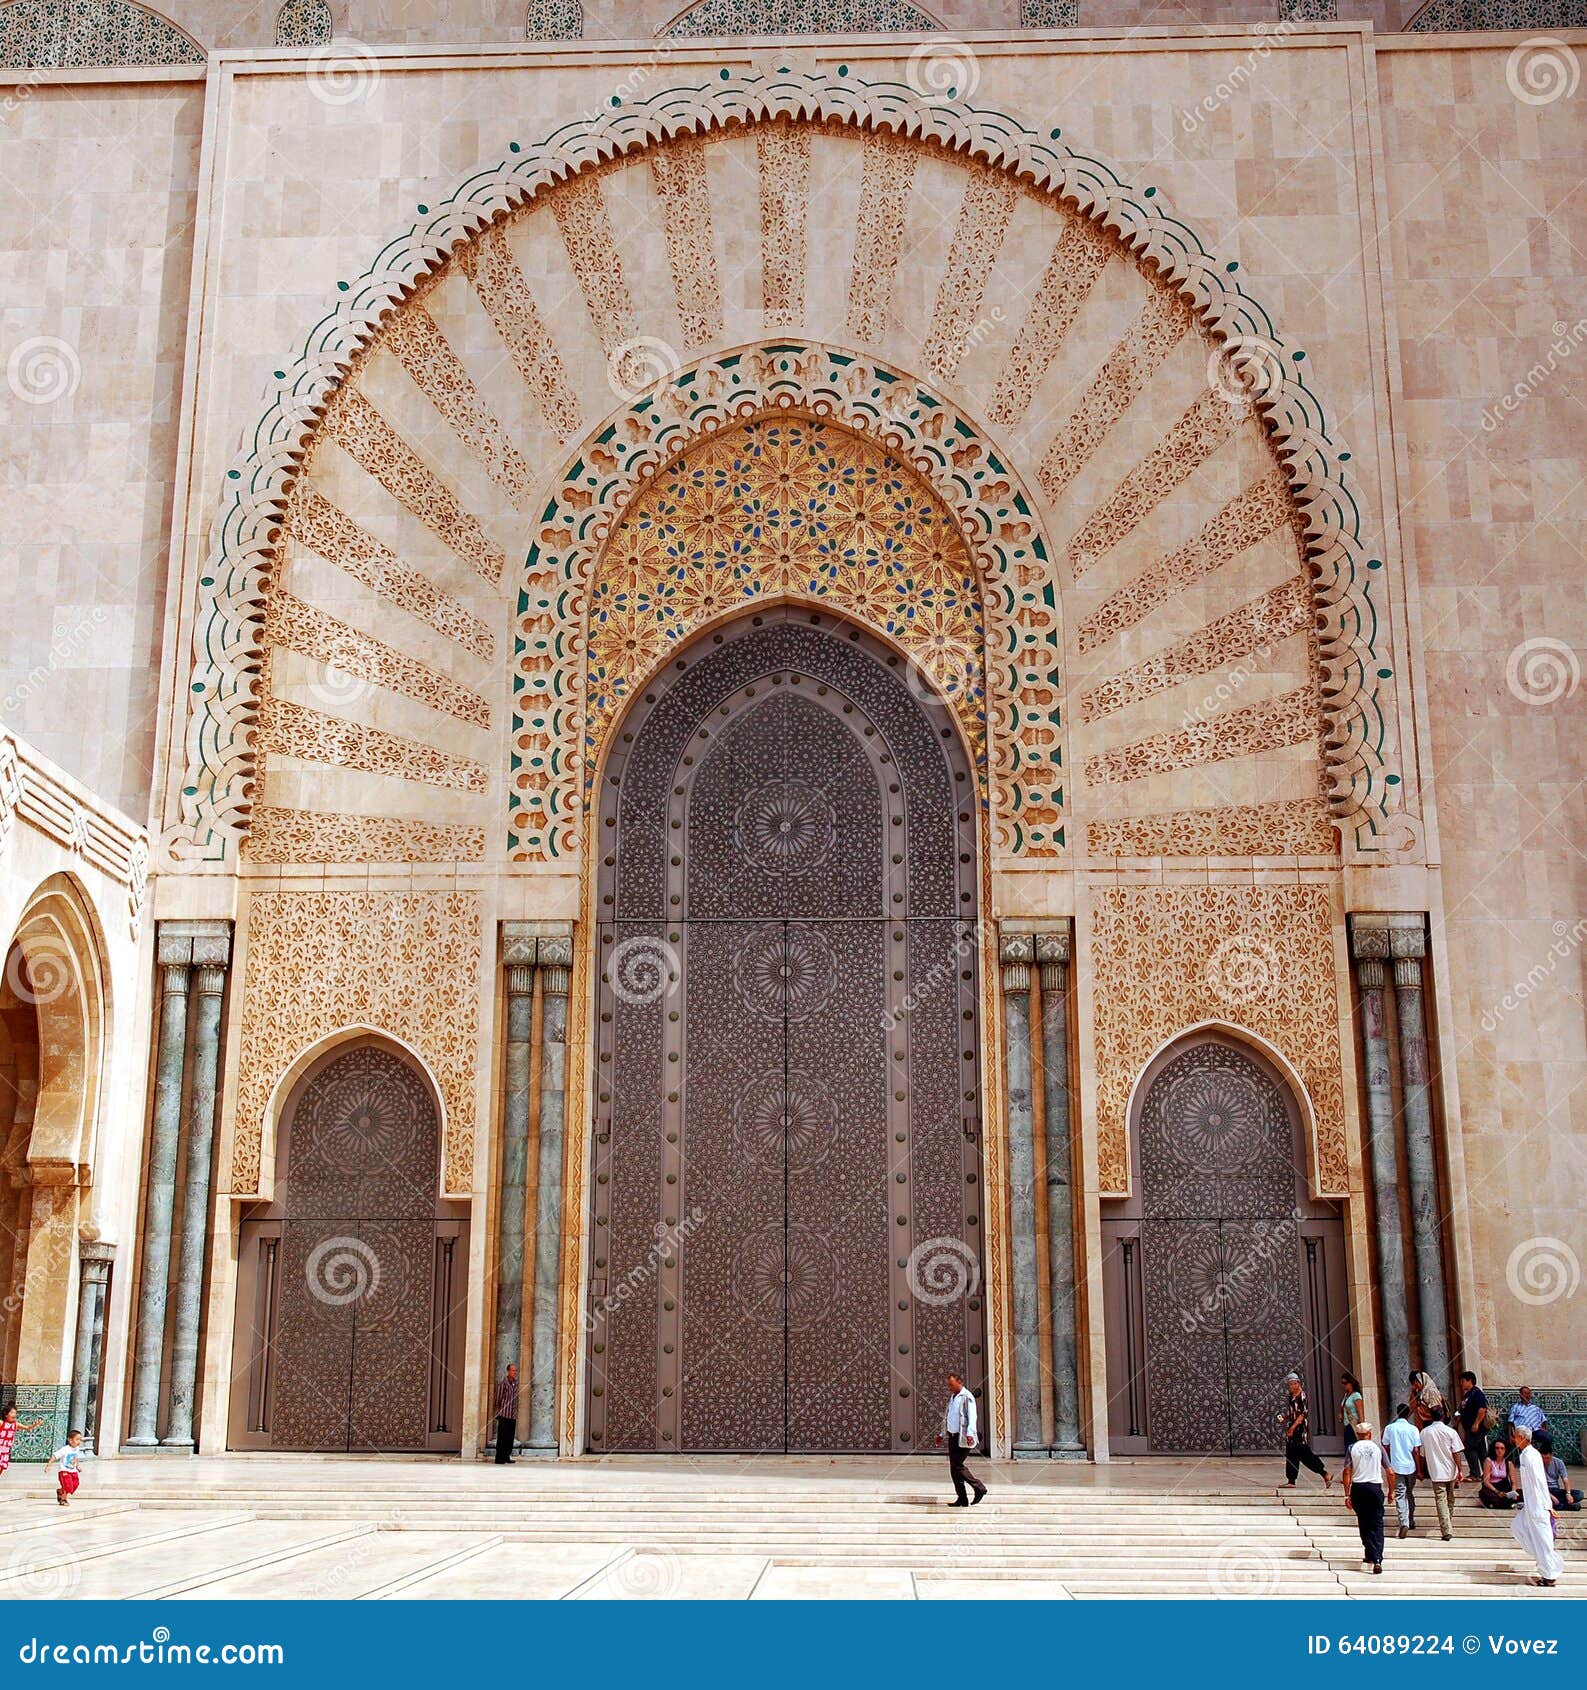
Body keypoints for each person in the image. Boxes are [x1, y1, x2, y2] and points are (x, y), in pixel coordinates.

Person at [1509, 1424, 1563, 1587]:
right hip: (1531, 1505)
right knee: (1518, 1526)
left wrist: (1548, 1506)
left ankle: (1549, 1575)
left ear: (1523, 1438)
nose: (1514, 1439)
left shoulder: (1530, 1456)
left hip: (1539, 1506)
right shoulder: (1526, 1455)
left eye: (1516, 1436)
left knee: (1543, 1540)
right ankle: (1544, 1560)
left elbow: (1539, 1481)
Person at [1342, 1418, 1390, 1575]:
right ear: (1369, 1434)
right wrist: (1392, 1491)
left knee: (1364, 1522)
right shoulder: (1378, 1448)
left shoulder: (1351, 1448)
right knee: (1377, 1523)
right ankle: (1377, 1558)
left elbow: (1347, 1471)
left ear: (1358, 1434)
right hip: (1375, 1487)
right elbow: (1390, 1471)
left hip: (1359, 1488)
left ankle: (1370, 1553)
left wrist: (1347, 1494)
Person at [935, 1372, 986, 1507]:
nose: (949, 1388)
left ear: (960, 1383)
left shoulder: (967, 1397)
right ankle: (962, 1498)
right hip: (953, 1437)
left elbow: (972, 1417)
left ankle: (979, 1487)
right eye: (948, 1385)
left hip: (963, 1437)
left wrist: (970, 1434)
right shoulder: (953, 1397)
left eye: (951, 1385)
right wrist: (941, 1434)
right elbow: (948, 1417)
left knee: (958, 1466)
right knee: (954, 1469)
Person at [1280, 1372, 1332, 1490]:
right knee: (1291, 1454)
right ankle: (1291, 1480)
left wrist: (1292, 1428)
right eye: (1290, 1384)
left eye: (1294, 1383)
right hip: (1292, 1428)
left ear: (1298, 1383)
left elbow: (1302, 1415)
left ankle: (1324, 1473)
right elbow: (1293, 1413)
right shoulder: (1291, 1397)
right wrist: (1285, 1417)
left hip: (1299, 1430)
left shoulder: (1302, 1396)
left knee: (1304, 1454)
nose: (1292, 1386)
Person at [1420, 1407, 1465, 1540]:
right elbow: (1456, 1452)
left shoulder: (1424, 1433)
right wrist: (1460, 1469)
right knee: (1446, 1499)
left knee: (1445, 1499)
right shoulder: (1450, 1432)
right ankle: (1446, 1529)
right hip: (1450, 1470)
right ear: (1443, 1416)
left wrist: (1421, 1470)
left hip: (1436, 1471)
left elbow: (1421, 1454)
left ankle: (1447, 1524)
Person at [1382, 1402, 1422, 1536]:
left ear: (1397, 1413)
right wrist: (1419, 1468)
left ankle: (1404, 1522)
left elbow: (1385, 1446)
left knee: (1400, 1494)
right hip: (1410, 1466)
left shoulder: (1390, 1428)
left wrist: (1388, 1463)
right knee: (1409, 1492)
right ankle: (1410, 1520)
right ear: (1408, 1413)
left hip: (1396, 1465)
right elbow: (1416, 1450)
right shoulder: (1413, 1429)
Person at [1537, 1431, 1583, 1511]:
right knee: (1538, 1498)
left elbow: (1565, 1480)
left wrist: (1568, 1494)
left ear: (1551, 1455)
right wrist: (1551, 1497)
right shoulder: (1537, 1464)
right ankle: (1565, 1506)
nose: (1545, 1460)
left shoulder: (1558, 1462)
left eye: (1547, 1458)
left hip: (1555, 1490)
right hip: (1544, 1491)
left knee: (1579, 1494)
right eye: (1543, 1458)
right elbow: (1538, 1485)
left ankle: (1556, 1505)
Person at [1456, 1371, 1489, 1479]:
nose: (1461, 1383)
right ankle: (1487, 1473)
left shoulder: (1477, 1393)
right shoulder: (1468, 1395)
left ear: (1470, 1380)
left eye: (1463, 1381)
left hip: (1476, 1428)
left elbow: (1482, 1409)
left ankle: (1475, 1473)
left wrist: (1476, 1423)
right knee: (1481, 1450)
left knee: (1469, 1447)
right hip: (1469, 1427)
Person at [46, 1430, 87, 1507]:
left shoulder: (77, 1449)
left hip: (73, 1470)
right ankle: (63, 1499)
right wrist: (49, 1465)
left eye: (80, 1440)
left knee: (75, 1484)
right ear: (70, 1440)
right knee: (67, 1486)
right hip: (64, 1470)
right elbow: (55, 1456)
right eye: (77, 1439)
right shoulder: (65, 1449)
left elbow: (75, 1458)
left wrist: (78, 1466)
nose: (79, 1442)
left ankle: (60, 1491)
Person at [0, 1405, 44, 1477]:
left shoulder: (16, 1424)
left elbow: (27, 1428)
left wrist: (36, 1424)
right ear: (6, 1415)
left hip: (5, 1451)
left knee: (2, 1468)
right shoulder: (1, 1423)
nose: (14, 1415)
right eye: (12, 1413)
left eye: (15, 1413)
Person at [1478, 1437, 1520, 1509]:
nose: (1499, 1450)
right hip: (1492, 1488)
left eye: (1502, 1448)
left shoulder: (1509, 1463)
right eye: (1497, 1448)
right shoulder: (1488, 1461)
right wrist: (1497, 1492)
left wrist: (1513, 1493)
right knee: (1485, 1494)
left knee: (1521, 1493)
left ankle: (1509, 1503)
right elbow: (1486, 1482)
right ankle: (1509, 1504)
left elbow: (1513, 1482)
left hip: (1505, 1488)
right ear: (1493, 1449)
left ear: (1505, 1450)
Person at [493, 1362, 519, 1465]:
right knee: (502, 1437)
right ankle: (499, 1457)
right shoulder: (503, 1383)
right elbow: (498, 1398)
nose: (514, 1372)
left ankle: (507, 1455)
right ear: (508, 1371)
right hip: (504, 1414)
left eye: (515, 1370)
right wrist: (500, 1410)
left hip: (512, 1415)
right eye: (512, 1370)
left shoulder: (516, 1383)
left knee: (510, 1437)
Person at [1339, 1371, 1365, 1441]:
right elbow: (1343, 1406)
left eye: (1345, 1383)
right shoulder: (1346, 1395)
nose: (1343, 1385)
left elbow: (1360, 1411)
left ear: (1351, 1383)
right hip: (1347, 1424)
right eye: (1342, 1383)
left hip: (1354, 1424)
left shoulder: (1356, 1395)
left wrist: (1362, 1426)